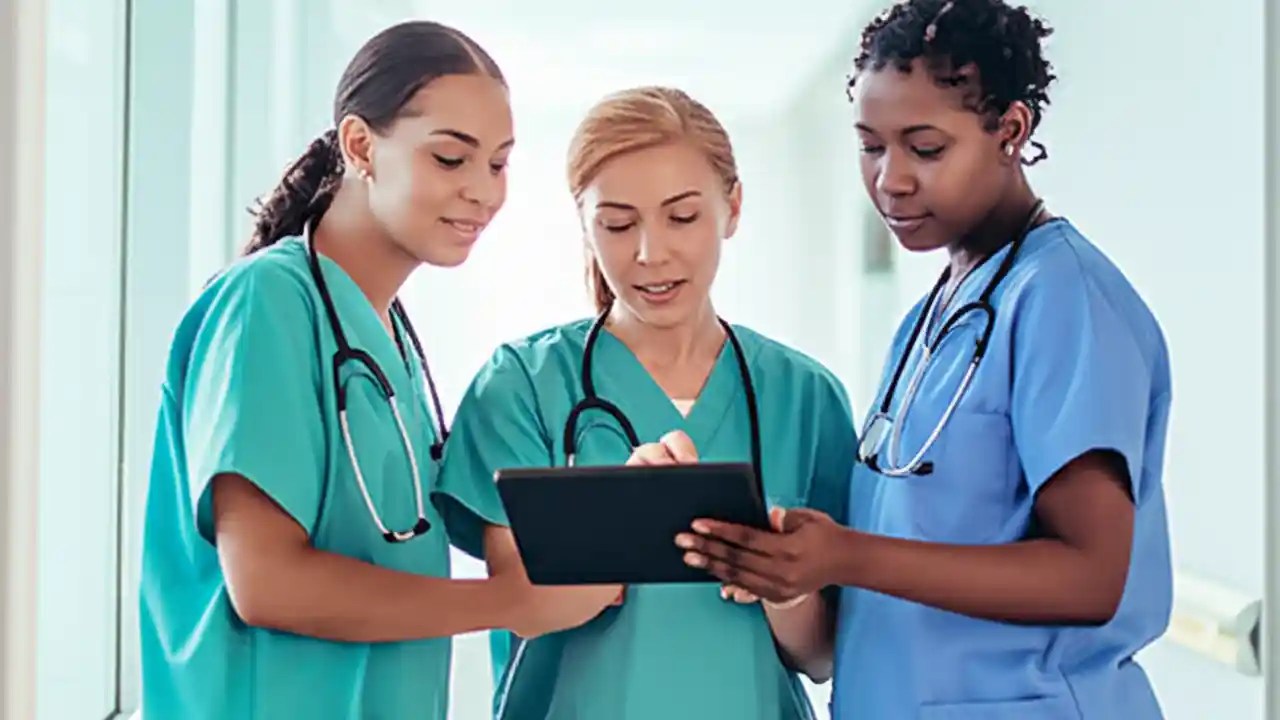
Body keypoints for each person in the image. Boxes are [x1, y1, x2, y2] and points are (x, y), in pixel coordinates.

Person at [676, 1, 1174, 718]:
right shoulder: (935, 316)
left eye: (925, 148)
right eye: (871, 146)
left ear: (1010, 130)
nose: (891, 180)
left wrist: (845, 555)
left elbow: (1091, 575)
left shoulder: (1063, 299)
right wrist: (789, 565)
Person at [137, 21, 617, 720]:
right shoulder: (266, 302)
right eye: (452, 159)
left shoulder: (389, 339)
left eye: (499, 163)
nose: (483, 192)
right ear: (361, 145)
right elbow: (266, 583)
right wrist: (508, 603)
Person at [434, 85, 858, 719]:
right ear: (584, 225)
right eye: (617, 224)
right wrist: (616, 524)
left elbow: (822, 655)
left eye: (682, 217)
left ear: (733, 208)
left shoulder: (803, 395)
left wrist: (778, 584)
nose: (649, 254)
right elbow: (516, 608)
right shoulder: (523, 383)